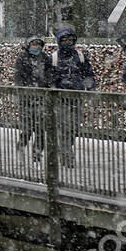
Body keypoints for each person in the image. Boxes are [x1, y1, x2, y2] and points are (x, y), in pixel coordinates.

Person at [50, 25, 96, 167]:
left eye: (71, 40)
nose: (68, 43)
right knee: (64, 127)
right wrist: (56, 86)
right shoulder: (54, 57)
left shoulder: (80, 56)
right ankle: (67, 155)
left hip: (76, 97)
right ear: (59, 41)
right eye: (65, 40)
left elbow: (88, 74)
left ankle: (64, 149)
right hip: (60, 98)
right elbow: (49, 77)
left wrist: (89, 85)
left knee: (74, 128)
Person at [13, 34, 54, 162]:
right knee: (27, 130)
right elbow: (19, 77)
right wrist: (24, 91)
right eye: (33, 44)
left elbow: (50, 75)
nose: (36, 47)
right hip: (26, 101)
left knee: (41, 131)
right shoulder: (22, 58)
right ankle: (21, 147)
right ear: (28, 45)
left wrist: (48, 87)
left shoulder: (45, 58)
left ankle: (37, 155)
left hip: (42, 100)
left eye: (38, 45)